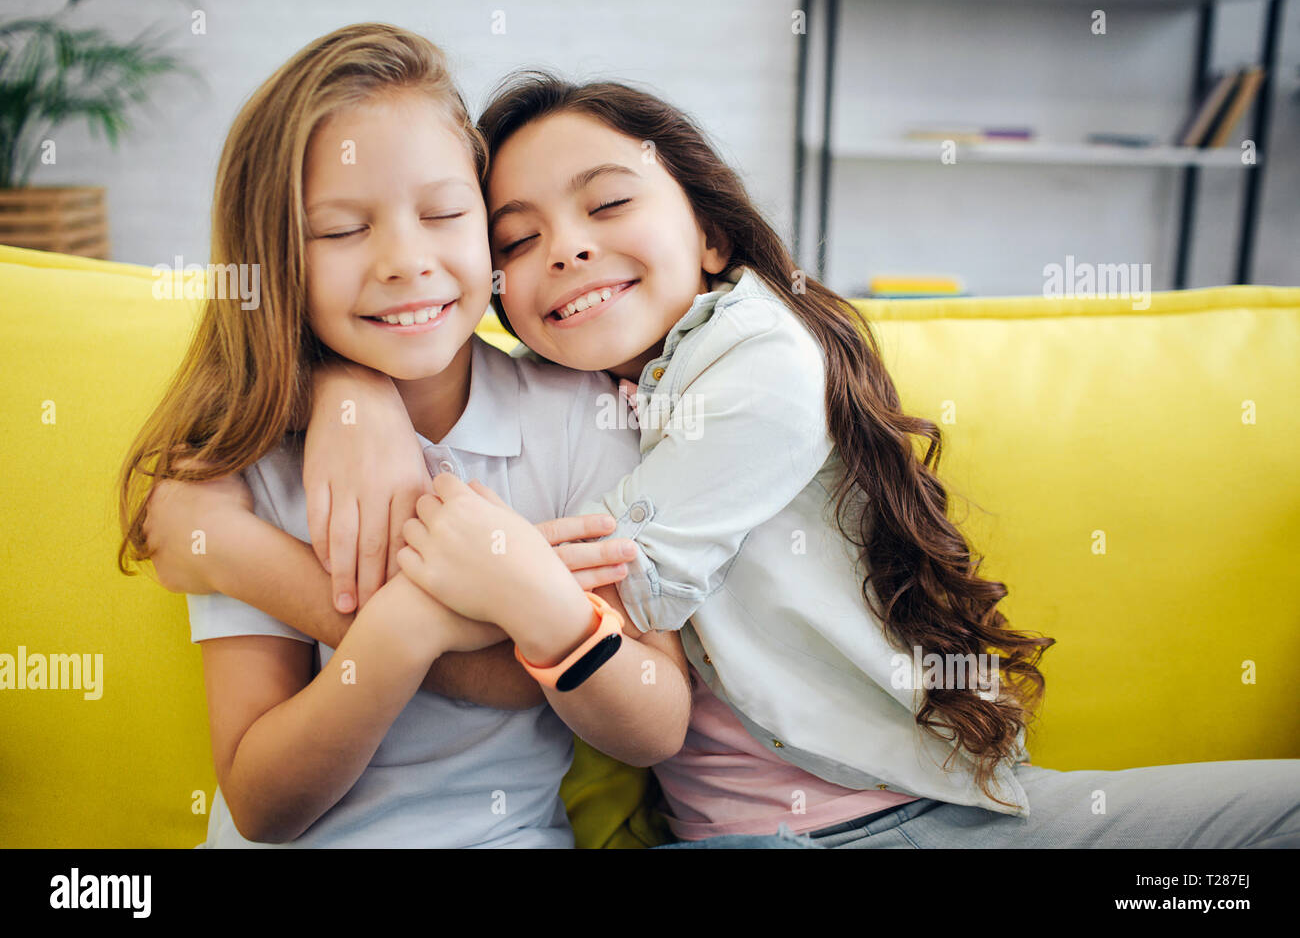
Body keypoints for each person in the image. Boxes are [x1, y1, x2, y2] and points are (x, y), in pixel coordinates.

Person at [302, 71, 1300, 849]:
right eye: (517, 238)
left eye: (607, 206)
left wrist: (232, 558)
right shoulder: (585, 395)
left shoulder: (763, 357)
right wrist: (349, 391)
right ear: (494, 287)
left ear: (707, 233)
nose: (564, 248)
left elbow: (602, 584)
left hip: (909, 812)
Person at [116, 24, 701, 849]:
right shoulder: (246, 466)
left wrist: (534, 603)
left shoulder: (577, 418)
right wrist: (410, 624)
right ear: (275, 255)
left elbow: (654, 722)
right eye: (342, 230)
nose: (403, 259)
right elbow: (261, 805)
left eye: (444, 212)